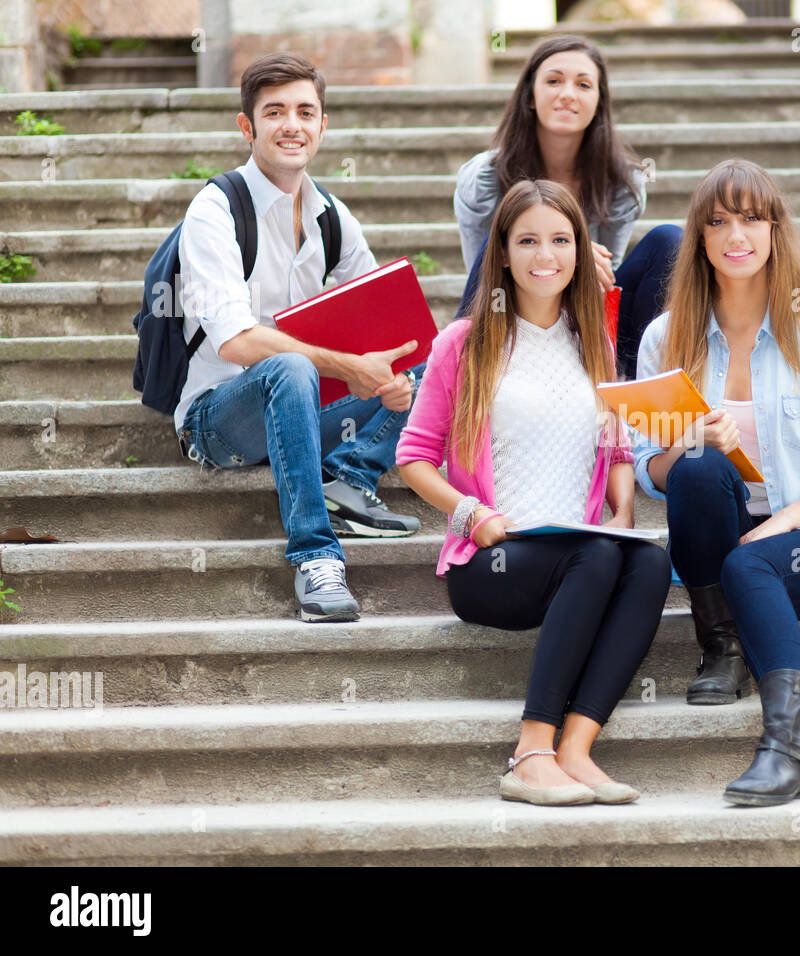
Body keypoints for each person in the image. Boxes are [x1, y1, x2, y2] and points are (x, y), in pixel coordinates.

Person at [398, 179, 671, 807]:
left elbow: (616, 442)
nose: (544, 255)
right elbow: (412, 457)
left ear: (580, 250)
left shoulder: (592, 342)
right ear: (502, 252)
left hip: (577, 549)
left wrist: (624, 503)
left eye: (559, 239)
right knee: (596, 556)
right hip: (493, 560)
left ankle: (576, 746)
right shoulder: (463, 344)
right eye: (527, 240)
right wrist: (472, 515)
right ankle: (530, 752)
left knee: (651, 560)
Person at [632, 159, 800, 806]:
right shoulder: (666, 338)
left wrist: (777, 525)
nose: (735, 234)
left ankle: (791, 747)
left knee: (751, 566)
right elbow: (645, 469)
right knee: (696, 464)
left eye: (751, 218)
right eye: (718, 221)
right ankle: (721, 647)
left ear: (775, 231)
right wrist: (687, 442)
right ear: (701, 238)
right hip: (712, 529)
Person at [174, 52, 423, 623]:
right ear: (248, 126)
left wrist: (393, 379)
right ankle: (315, 557)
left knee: (434, 359)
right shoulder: (215, 209)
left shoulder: (332, 215)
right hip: (218, 419)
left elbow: (388, 329)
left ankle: (348, 479)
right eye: (275, 111)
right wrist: (348, 367)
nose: (292, 124)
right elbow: (236, 343)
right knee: (290, 367)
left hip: (304, 409)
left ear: (322, 125)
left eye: (305, 112)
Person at [454, 33, 681, 377]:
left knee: (668, 241)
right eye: (554, 81)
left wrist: (580, 263)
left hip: (583, 318)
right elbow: (483, 274)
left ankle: (637, 394)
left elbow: (606, 278)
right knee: (494, 244)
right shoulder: (484, 178)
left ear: (598, 102)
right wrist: (568, 251)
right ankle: (470, 381)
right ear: (530, 95)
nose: (567, 94)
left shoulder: (622, 182)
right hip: (509, 317)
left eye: (584, 85)